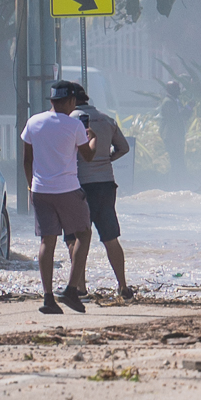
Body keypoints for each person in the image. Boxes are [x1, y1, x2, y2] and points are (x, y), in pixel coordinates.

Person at [21, 79, 101, 315]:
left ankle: (48, 298)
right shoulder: (74, 126)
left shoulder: (33, 122)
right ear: (69, 101)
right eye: (73, 101)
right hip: (67, 189)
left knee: (47, 241)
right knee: (84, 234)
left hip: (40, 190)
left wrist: (30, 187)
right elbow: (88, 156)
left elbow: (27, 159)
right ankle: (70, 289)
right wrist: (93, 138)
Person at [74, 88, 135, 300]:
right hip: (105, 184)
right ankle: (123, 286)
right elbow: (124, 148)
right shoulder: (107, 120)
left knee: (77, 238)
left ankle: (80, 287)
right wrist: (107, 158)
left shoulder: (69, 120)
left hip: (79, 184)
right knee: (110, 237)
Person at [158, 80, 191, 181]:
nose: (179, 91)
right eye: (177, 89)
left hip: (176, 136)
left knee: (179, 161)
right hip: (172, 137)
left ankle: (180, 182)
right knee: (176, 162)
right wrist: (188, 108)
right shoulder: (168, 102)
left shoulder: (174, 101)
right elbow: (176, 118)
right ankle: (175, 184)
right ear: (170, 90)